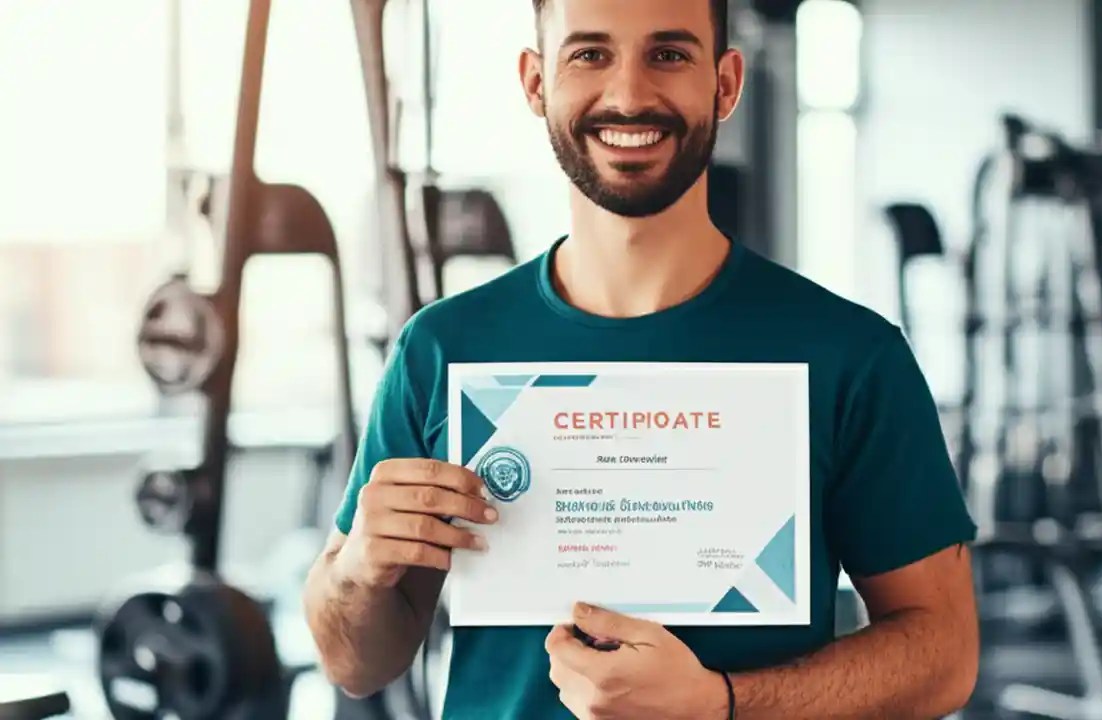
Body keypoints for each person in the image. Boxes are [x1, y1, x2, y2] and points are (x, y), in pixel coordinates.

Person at [303, 0, 980, 717]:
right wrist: (355, 573)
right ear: (536, 82)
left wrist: (722, 704)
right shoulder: (442, 350)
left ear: (725, 84)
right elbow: (357, 663)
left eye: (669, 55)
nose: (628, 95)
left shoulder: (850, 356)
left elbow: (943, 657)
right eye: (590, 54)